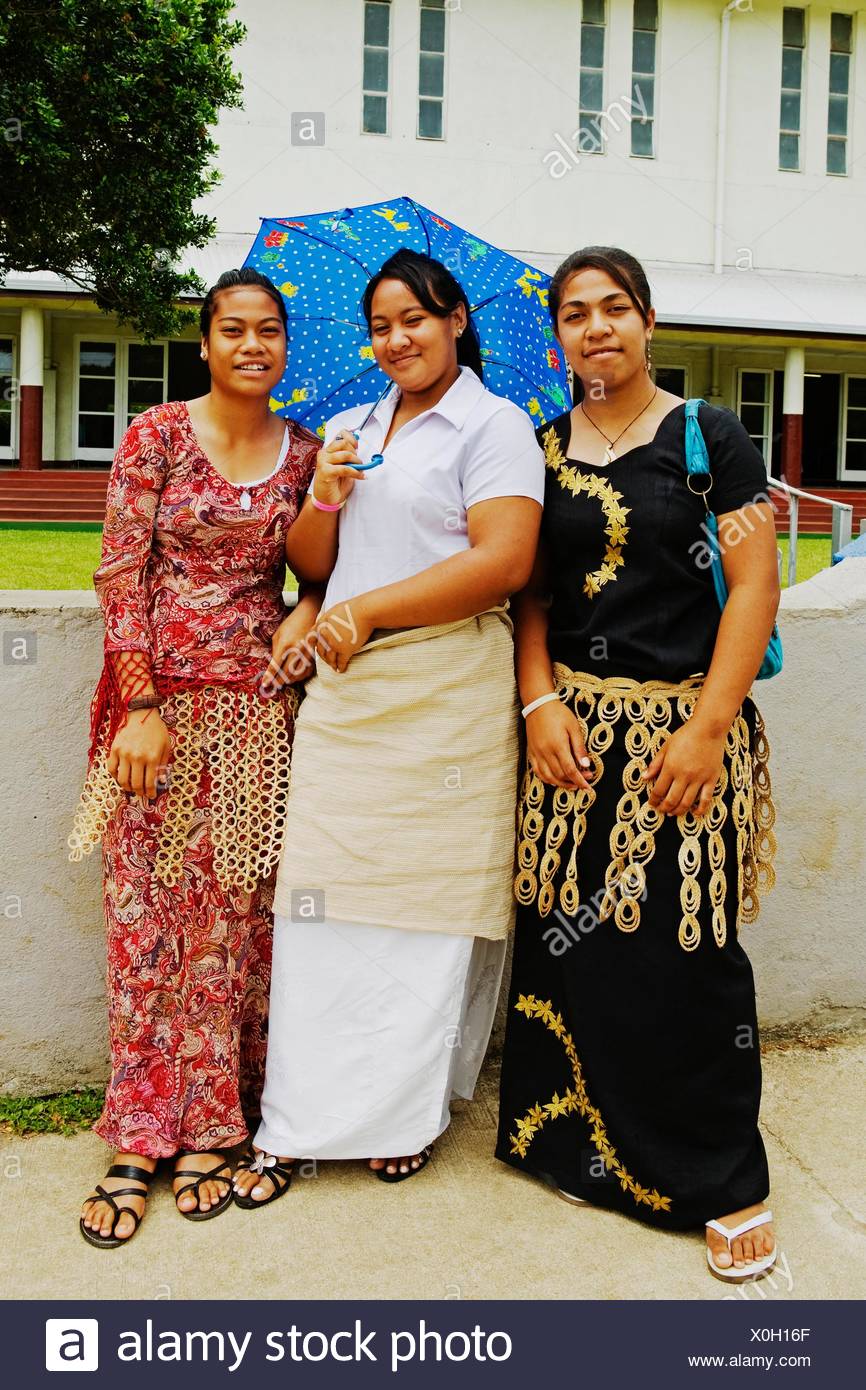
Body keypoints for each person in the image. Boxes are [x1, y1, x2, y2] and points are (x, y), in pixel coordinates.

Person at [231, 249, 545, 1206]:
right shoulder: (350, 425)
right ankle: (296, 1123)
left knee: (426, 913)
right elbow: (312, 563)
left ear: (455, 320)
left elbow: (504, 561)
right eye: (381, 324)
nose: (397, 338)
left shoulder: (495, 427)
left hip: (446, 694)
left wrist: (369, 614)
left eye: (416, 317)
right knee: (318, 905)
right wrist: (324, 490)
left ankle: (404, 1118)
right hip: (349, 696)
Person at [494, 247, 781, 1283]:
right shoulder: (537, 445)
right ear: (557, 335)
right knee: (577, 953)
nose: (595, 328)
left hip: (680, 741)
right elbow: (527, 595)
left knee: (688, 956)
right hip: (568, 748)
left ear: (647, 320)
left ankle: (719, 1178)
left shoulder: (710, 436)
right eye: (573, 314)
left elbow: (752, 585)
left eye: (613, 307)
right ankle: (581, 1147)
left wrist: (706, 729)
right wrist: (535, 703)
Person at [69, 267, 321, 1246]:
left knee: (232, 934)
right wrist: (138, 703)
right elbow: (119, 568)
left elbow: (313, 573)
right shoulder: (157, 436)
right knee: (145, 924)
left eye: (268, 331)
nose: (252, 346)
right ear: (206, 341)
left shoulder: (305, 454)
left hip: (257, 721)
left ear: (283, 346)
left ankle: (215, 1124)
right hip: (155, 721)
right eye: (233, 330)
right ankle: (138, 1134)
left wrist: (299, 621)